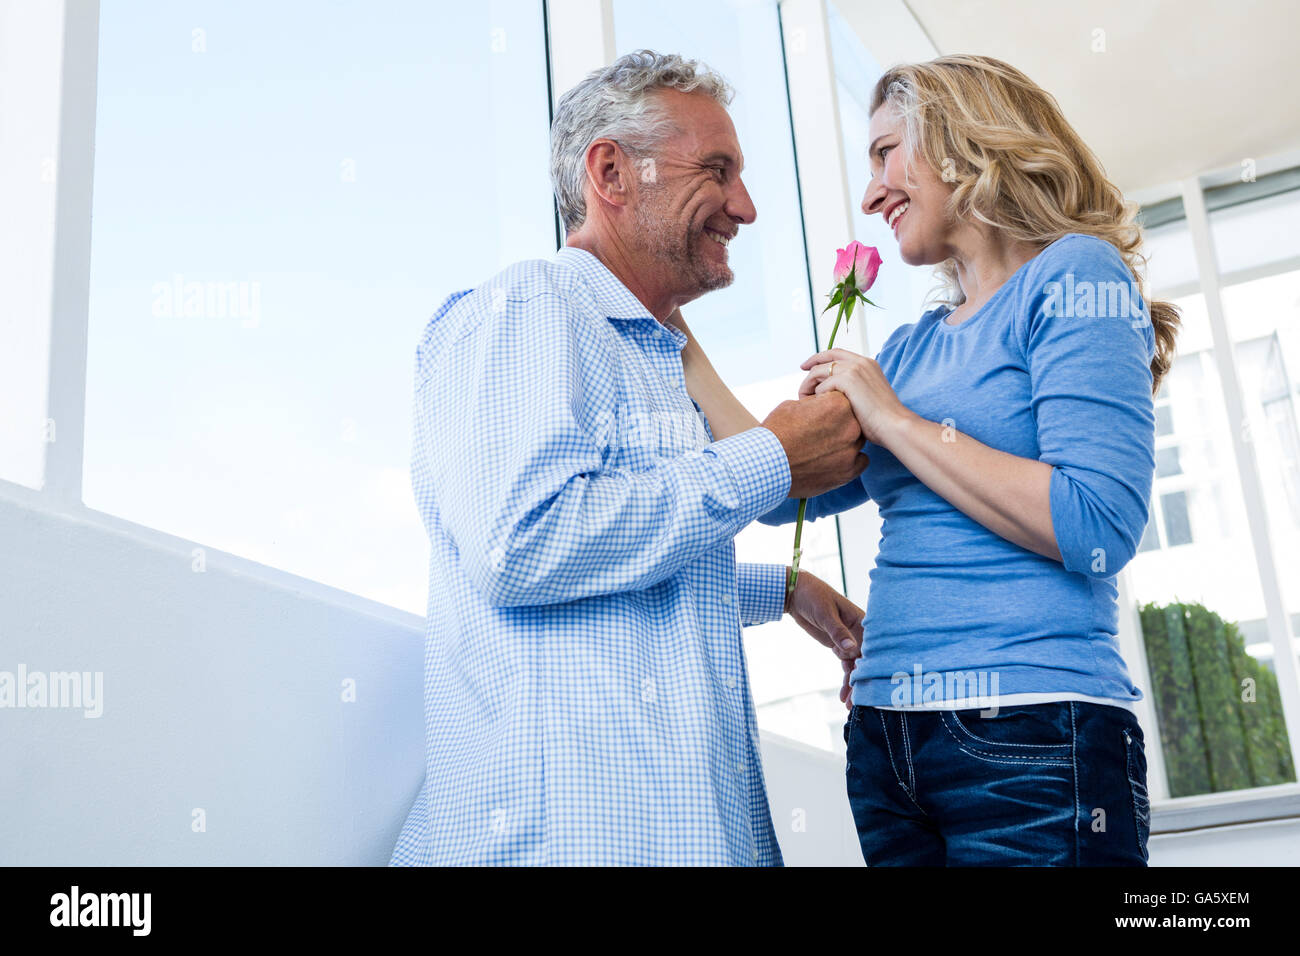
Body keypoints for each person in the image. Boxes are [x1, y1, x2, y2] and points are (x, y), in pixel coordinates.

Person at [677, 54, 1180, 866]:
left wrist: (895, 419)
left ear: (962, 140)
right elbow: (778, 491)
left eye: (884, 153)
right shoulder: (911, 350)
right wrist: (670, 325)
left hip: (1033, 731)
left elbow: (1098, 523)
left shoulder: (1075, 277)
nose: (873, 192)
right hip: (887, 746)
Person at [389, 50, 869, 866]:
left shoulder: (658, 361)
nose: (745, 208)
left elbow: (621, 558)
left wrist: (784, 588)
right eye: (717, 170)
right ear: (611, 171)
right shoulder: (527, 309)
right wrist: (773, 459)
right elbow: (523, 544)